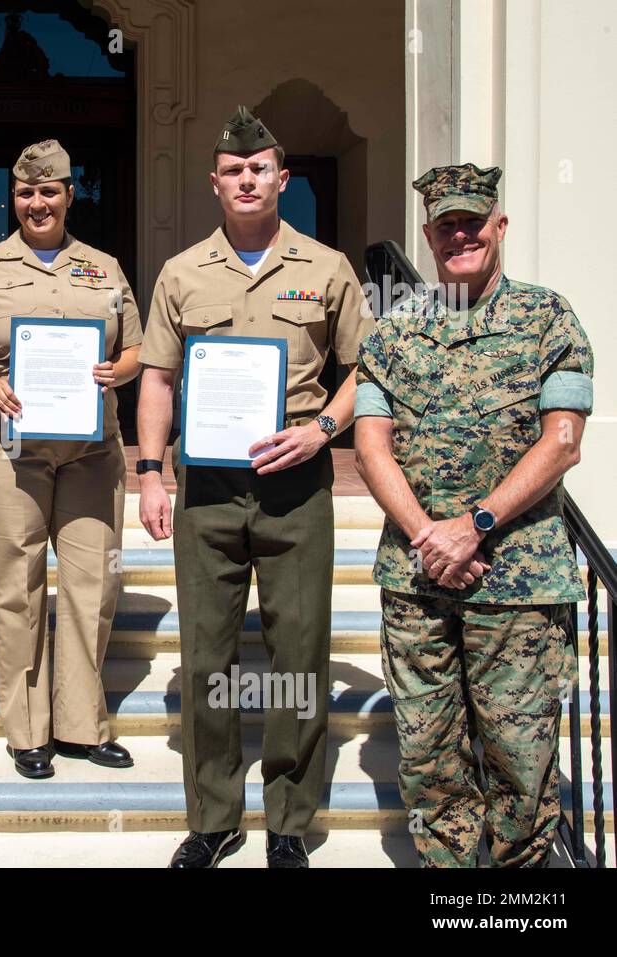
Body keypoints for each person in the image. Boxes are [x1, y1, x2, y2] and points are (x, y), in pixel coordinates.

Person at [136, 107, 375, 868]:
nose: (247, 180)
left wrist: (323, 431)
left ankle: (288, 821)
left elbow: (363, 373)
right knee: (209, 655)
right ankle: (214, 816)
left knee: (297, 654)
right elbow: (157, 378)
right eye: (233, 171)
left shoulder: (327, 267)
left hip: (296, 483)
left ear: (283, 178)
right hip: (207, 487)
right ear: (215, 182)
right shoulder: (181, 273)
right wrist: (150, 470)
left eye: (260, 168)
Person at [354, 163, 589, 867]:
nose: (460, 235)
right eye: (446, 225)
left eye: (473, 223)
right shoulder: (392, 334)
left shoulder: (548, 318)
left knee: (520, 754)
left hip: (519, 581)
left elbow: (564, 440)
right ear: (427, 235)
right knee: (429, 752)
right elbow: (371, 447)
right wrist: (432, 537)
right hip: (418, 578)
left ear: (499, 227)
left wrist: (474, 525)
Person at [0, 139, 142, 779]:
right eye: (26, 193)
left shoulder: (104, 268)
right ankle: (28, 731)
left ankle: (81, 725)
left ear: (69, 194)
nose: (37, 203)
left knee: (90, 586)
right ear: (14, 199)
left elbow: (138, 347)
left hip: (90, 448)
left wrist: (118, 371)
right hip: (4, 444)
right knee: (17, 589)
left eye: (49, 191)